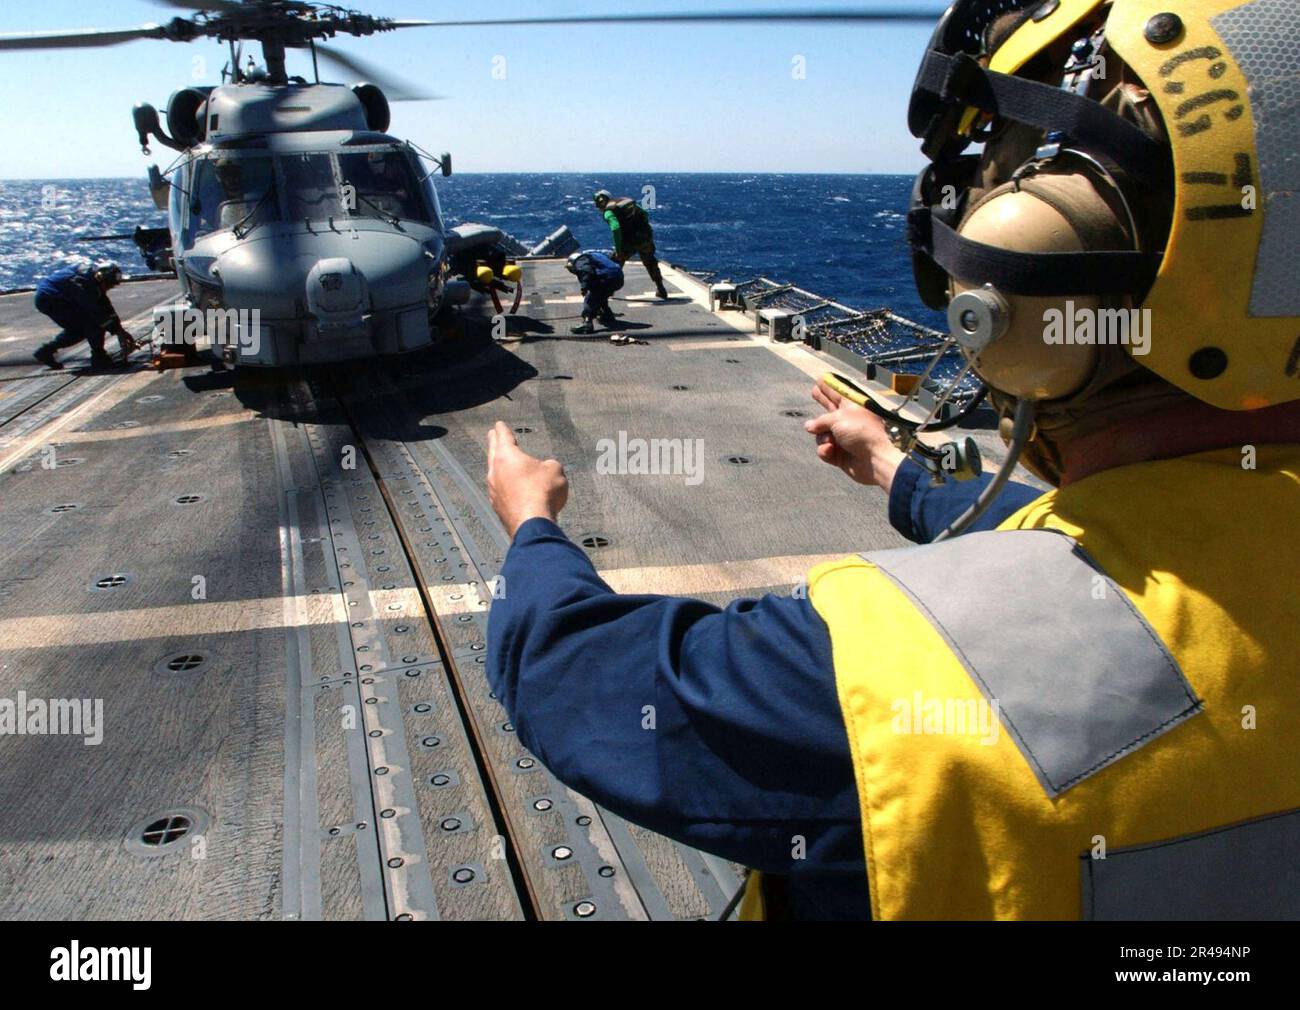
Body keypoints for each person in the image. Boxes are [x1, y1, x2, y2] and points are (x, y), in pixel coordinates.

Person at [483, 0, 1300, 920]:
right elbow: (1124, 566)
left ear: (1022, 273)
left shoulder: (903, 675)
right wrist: (893, 470)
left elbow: (578, 682)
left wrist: (533, 528)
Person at [32, 261, 134, 371]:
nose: (109, 288)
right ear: (100, 278)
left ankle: (45, 351)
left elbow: (105, 304)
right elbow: (96, 311)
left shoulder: (93, 279)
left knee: (78, 331)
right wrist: (117, 331)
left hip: (57, 297)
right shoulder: (82, 285)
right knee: (93, 323)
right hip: (50, 299)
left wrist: (119, 329)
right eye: (109, 284)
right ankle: (99, 357)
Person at [593, 190, 668, 300]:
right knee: (650, 262)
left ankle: (608, 291)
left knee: (614, 264)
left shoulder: (608, 212)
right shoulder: (625, 201)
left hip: (629, 242)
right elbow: (644, 213)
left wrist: (619, 250)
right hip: (645, 238)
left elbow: (615, 228)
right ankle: (661, 289)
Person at [564, 250, 624, 335]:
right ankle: (607, 315)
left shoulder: (580, 260)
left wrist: (584, 287)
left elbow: (586, 270)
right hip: (618, 277)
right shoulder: (594, 255)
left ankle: (587, 323)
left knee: (590, 298)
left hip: (606, 277)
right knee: (601, 294)